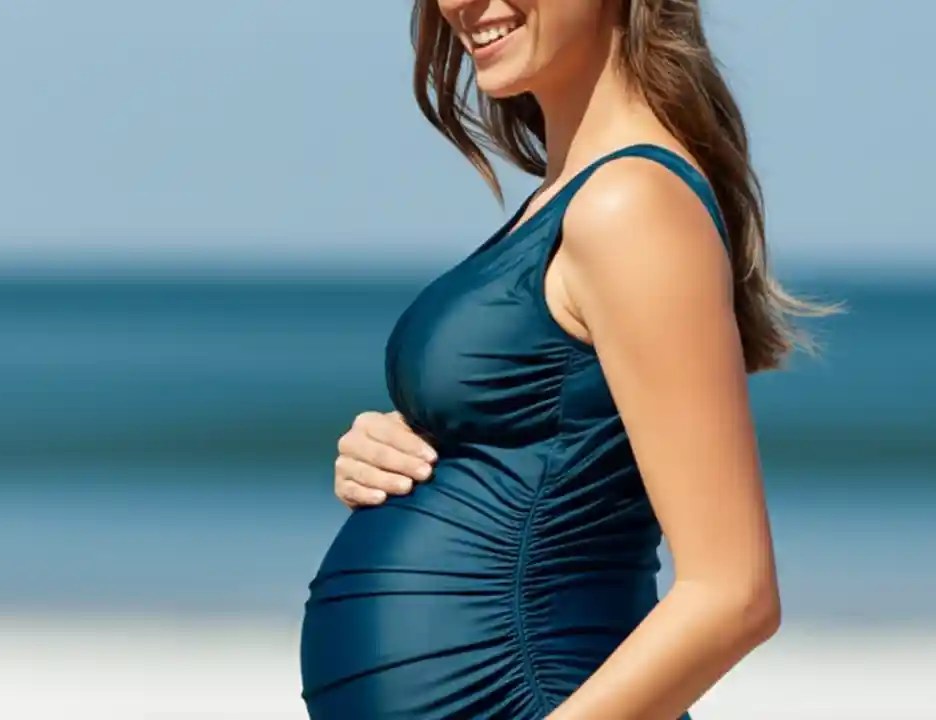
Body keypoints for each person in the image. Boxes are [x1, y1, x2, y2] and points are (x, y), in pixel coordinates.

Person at [301, 1, 839, 717]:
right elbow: (547, 441)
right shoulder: (569, 200)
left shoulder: (631, 204)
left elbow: (733, 594)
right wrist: (400, 454)